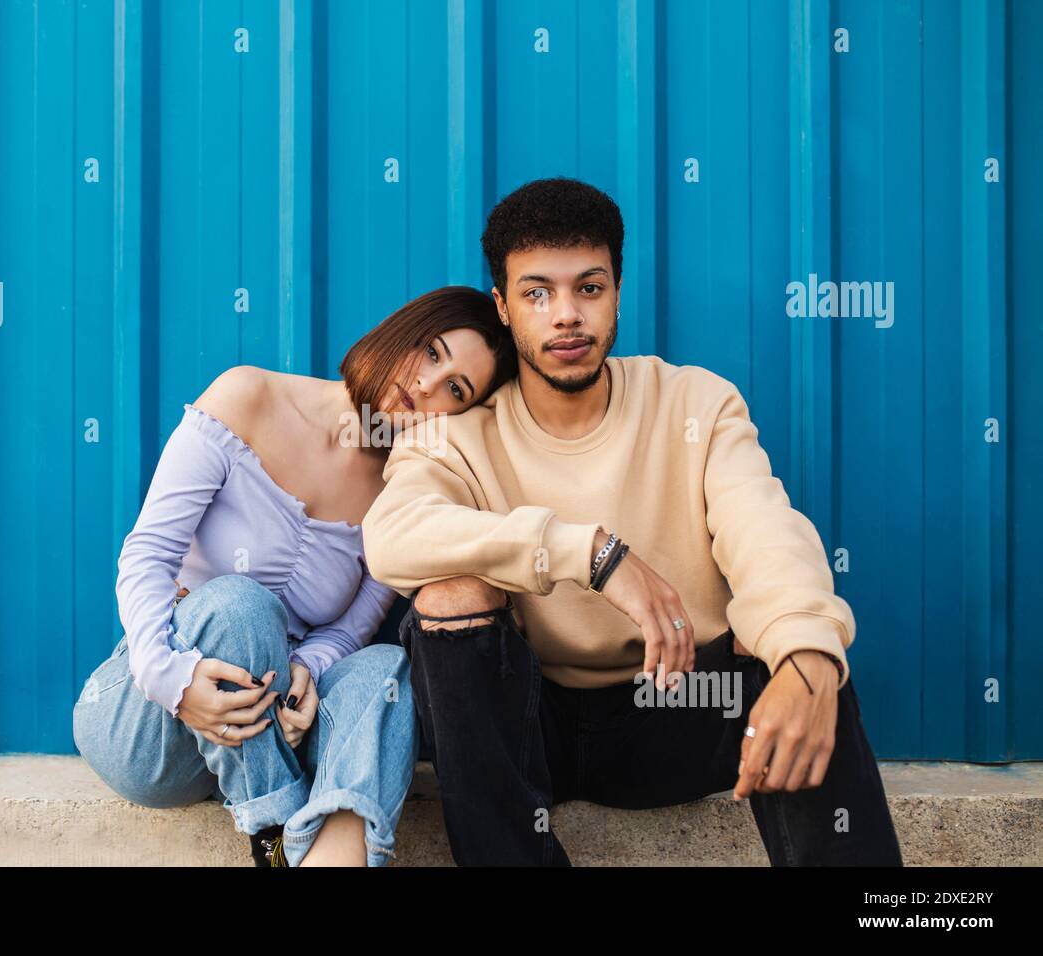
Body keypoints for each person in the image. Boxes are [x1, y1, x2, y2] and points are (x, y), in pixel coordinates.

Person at [362, 177, 903, 866]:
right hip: (528, 731)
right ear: (502, 306)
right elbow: (393, 536)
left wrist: (808, 657)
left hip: (677, 709)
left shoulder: (696, 404)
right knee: (448, 598)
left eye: (588, 288)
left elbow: (766, 531)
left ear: (617, 290)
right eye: (537, 293)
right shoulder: (457, 436)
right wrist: (587, 552)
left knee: (797, 650)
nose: (566, 316)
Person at [73, 285, 518, 867]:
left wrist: (305, 671)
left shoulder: (402, 493)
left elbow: (348, 634)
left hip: (277, 732)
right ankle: (274, 836)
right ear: (401, 331)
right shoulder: (249, 397)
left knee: (390, 666)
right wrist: (174, 682)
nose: (428, 385)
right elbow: (147, 554)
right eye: (432, 353)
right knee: (239, 604)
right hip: (154, 724)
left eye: (456, 390)